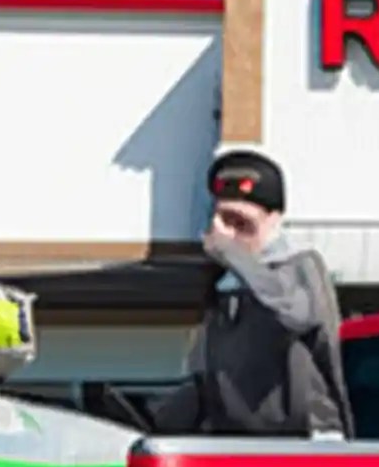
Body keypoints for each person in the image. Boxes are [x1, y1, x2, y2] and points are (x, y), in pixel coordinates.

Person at [151, 148, 355, 438]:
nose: (230, 235)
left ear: (273, 220)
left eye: (242, 224)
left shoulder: (300, 266)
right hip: (242, 443)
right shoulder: (222, 285)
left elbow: (295, 314)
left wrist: (231, 254)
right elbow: (207, 375)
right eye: (223, 221)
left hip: (307, 442)